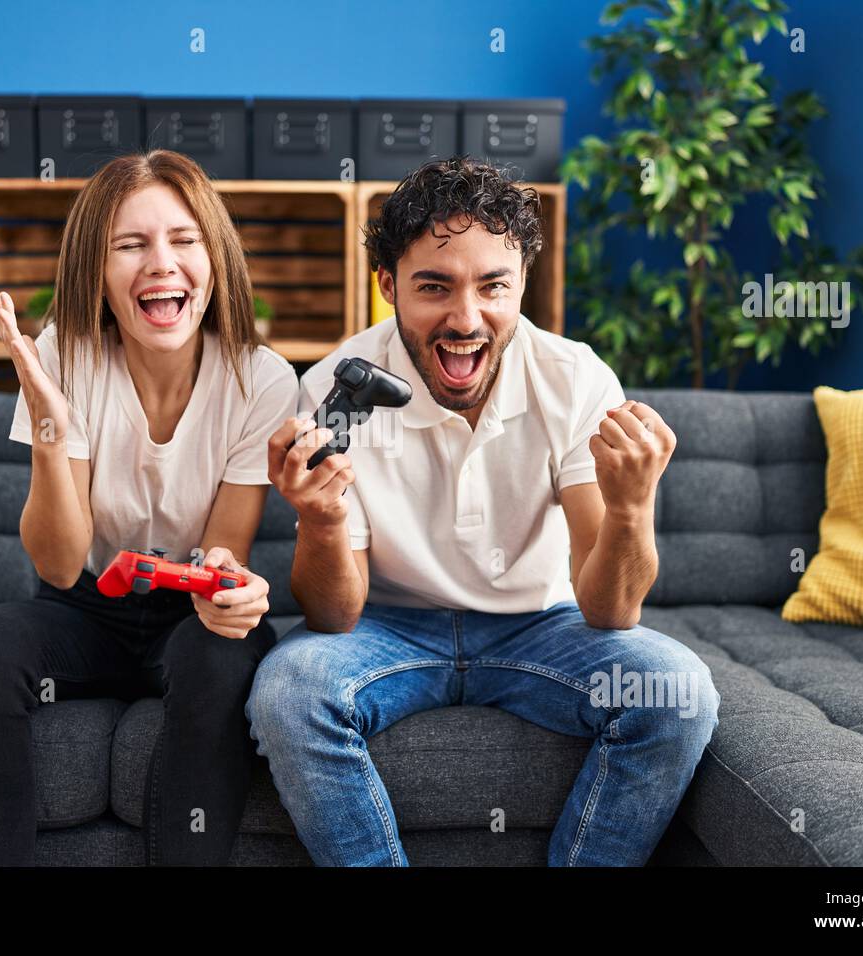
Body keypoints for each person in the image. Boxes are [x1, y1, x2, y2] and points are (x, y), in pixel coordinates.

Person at [251, 156, 721, 866]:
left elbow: (611, 614)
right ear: (388, 287)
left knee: (678, 691)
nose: (466, 319)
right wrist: (320, 520)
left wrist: (630, 508)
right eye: (434, 286)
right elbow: (332, 618)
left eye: (493, 286)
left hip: (542, 628)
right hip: (388, 628)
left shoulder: (575, 380)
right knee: (288, 689)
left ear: (522, 282)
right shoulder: (334, 390)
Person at [0, 150, 298, 866]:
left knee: (222, 663)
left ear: (215, 259)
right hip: (83, 608)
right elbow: (60, 563)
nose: (161, 263)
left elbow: (225, 549)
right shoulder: (64, 355)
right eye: (130, 246)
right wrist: (50, 428)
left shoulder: (262, 379)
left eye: (184, 240)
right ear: (96, 273)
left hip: (189, 614)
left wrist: (227, 588)